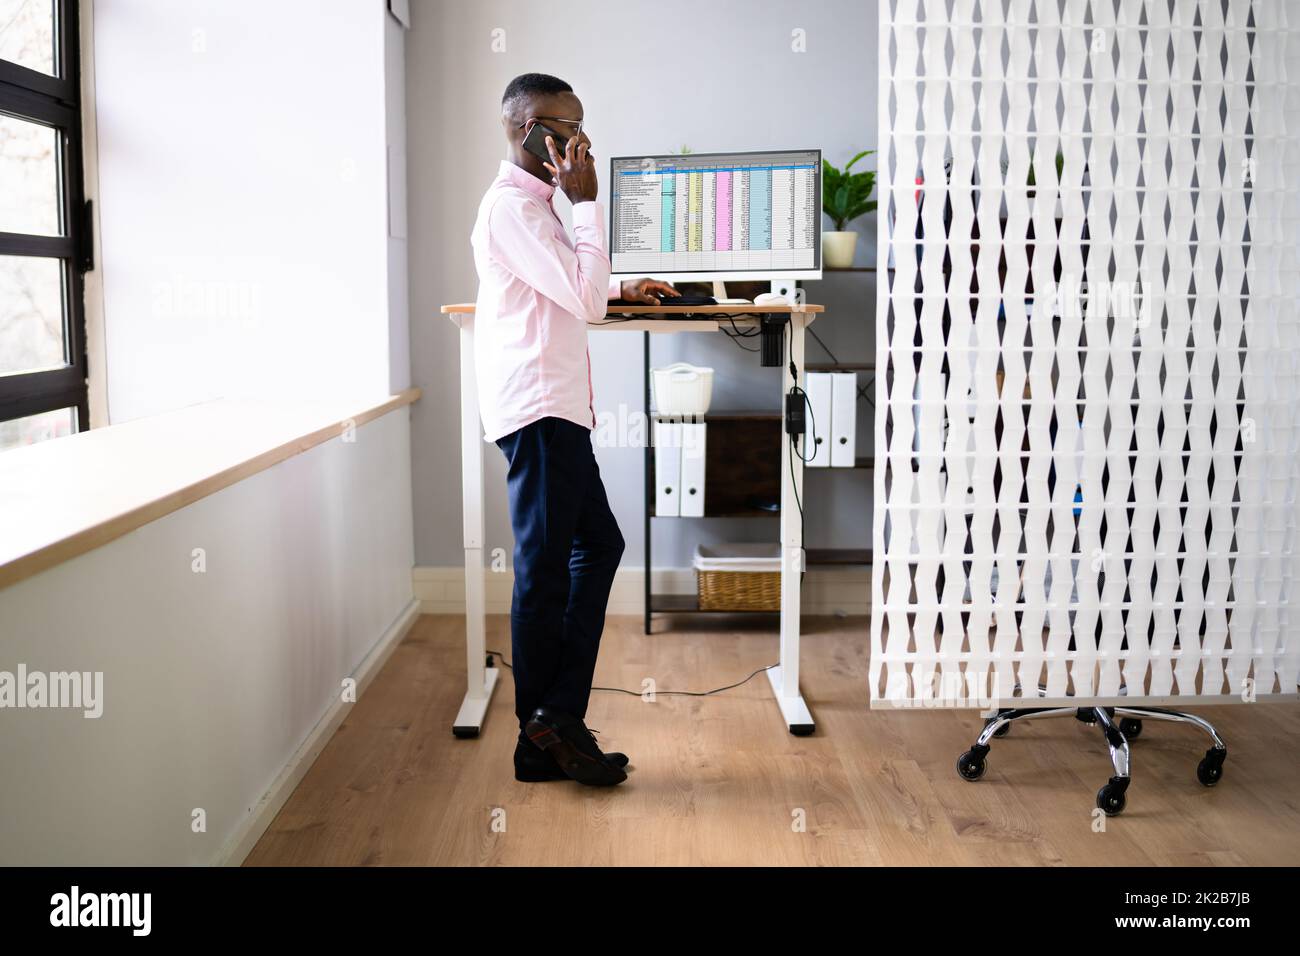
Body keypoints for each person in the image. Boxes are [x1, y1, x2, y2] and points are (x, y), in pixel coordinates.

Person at [470, 73, 678, 786]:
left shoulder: (537, 208)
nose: (577, 142)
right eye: (562, 127)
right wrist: (589, 204)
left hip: (554, 409)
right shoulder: (514, 210)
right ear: (522, 128)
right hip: (538, 410)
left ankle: (552, 721)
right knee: (545, 573)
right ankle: (543, 736)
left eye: (581, 125)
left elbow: (570, 284)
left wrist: (624, 285)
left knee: (596, 544)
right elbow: (583, 303)